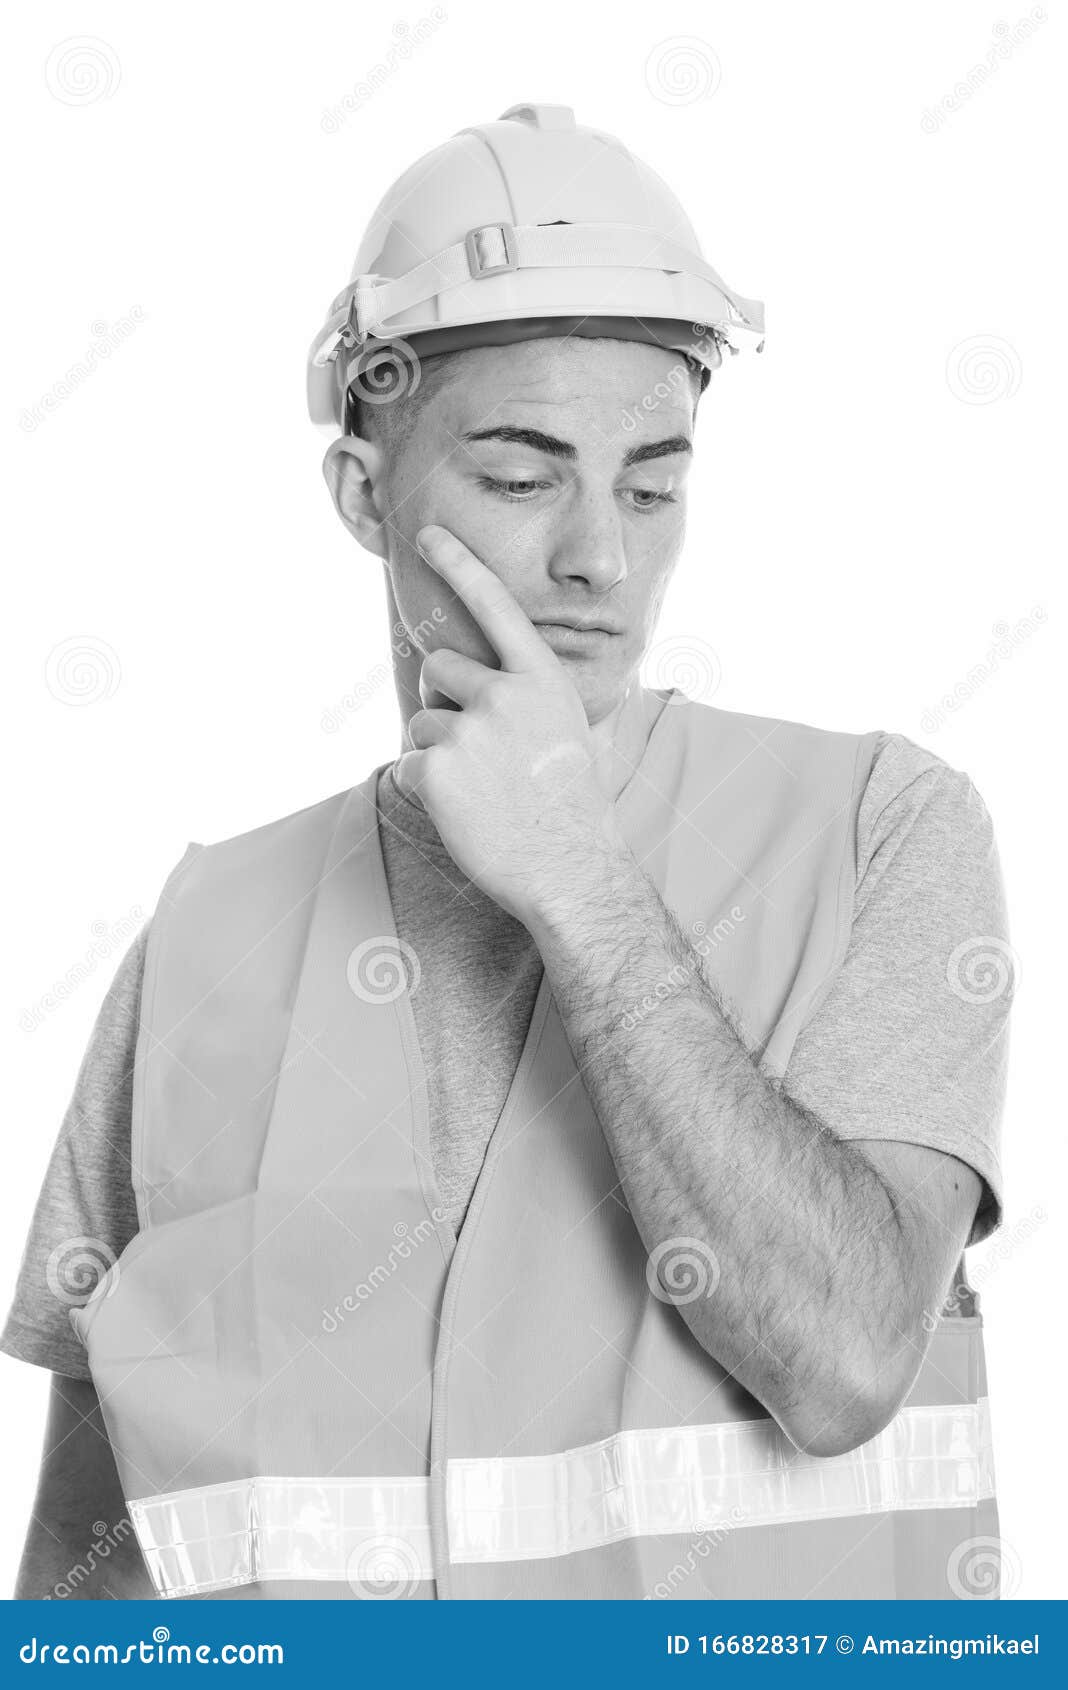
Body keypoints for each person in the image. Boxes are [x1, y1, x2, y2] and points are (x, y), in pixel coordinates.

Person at [3, 103, 1010, 1602]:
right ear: (365, 495)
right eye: (525, 476)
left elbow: (846, 1359)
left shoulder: (878, 830)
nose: (602, 556)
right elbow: (95, 1562)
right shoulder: (208, 934)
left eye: (653, 484)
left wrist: (583, 885)